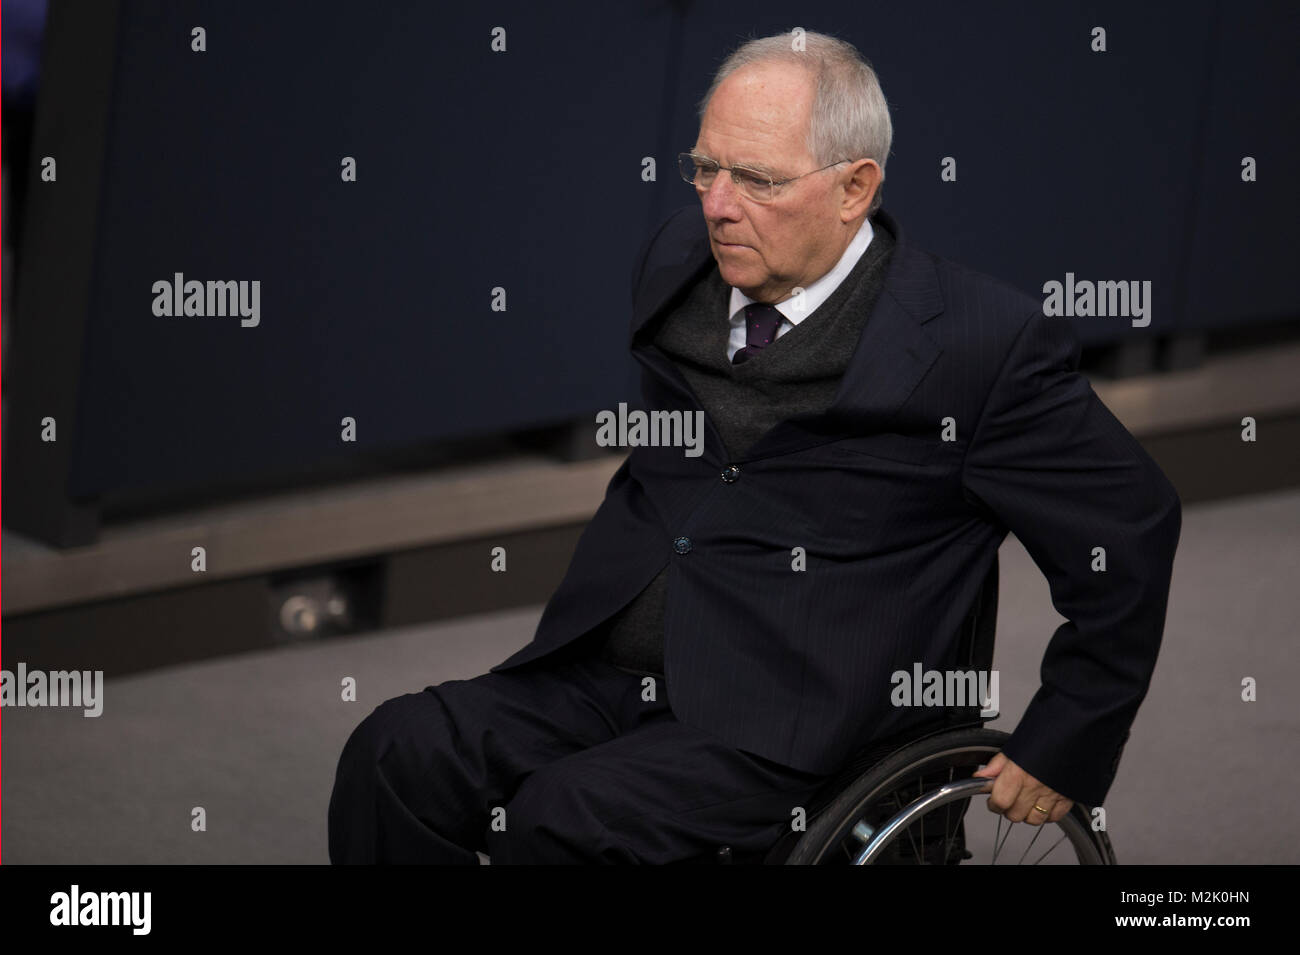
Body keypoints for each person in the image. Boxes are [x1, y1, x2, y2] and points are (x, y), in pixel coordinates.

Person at [328, 30, 1181, 864]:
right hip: (606, 666)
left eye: (758, 179)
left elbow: (1129, 523)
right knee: (396, 753)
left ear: (855, 188)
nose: (717, 204)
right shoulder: (679, 261)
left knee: (562, 821)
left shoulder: (980, 345)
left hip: (791, 721)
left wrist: (1068, 733)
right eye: (706, 167)